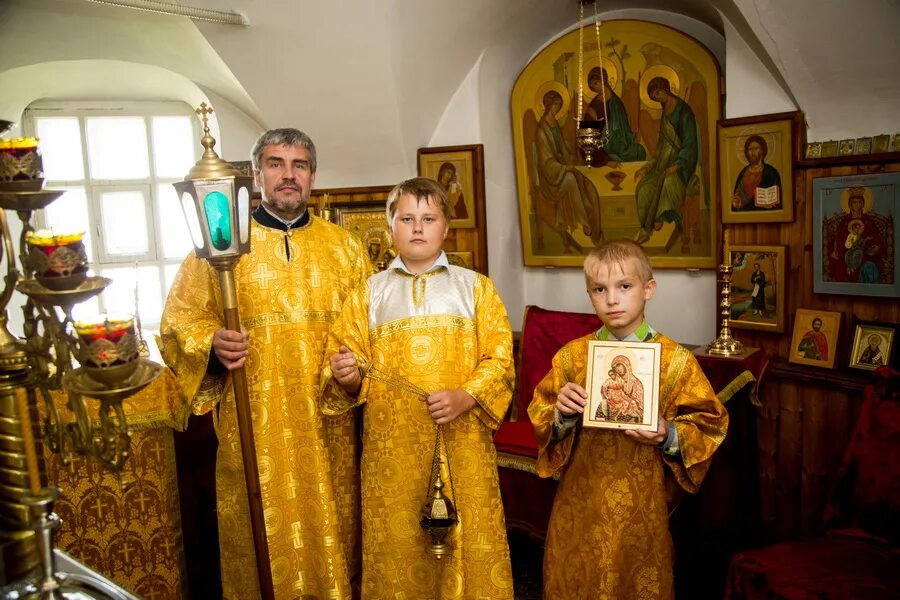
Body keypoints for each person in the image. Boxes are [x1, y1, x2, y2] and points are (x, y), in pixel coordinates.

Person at [158, 128, 371, 599]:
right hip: (254, 422)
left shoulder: (347, 248)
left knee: (332, 532)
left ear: (313, 176)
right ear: (256, 175)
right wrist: (211, 344)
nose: (288, 175)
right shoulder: (217, 249)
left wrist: (357, 369)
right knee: (260, 542)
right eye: (276, 164)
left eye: (299, 165)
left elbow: (369, 330)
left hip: (328, 427)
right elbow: (178, 322)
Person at [320, 177, 516, 599]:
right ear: (390, 227)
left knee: (469, 535)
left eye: (429, 218)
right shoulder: (367, 295)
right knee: (397, 543)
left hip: (463, 442)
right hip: (392, 450)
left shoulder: (476, 288)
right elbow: (345, 366)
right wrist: (347, 375)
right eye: (406, 218)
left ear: (446, 227)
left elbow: (500, 359)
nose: (417, 228)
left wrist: (466, 396)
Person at [527, 239, 728, 599]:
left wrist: (668, 435)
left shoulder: (675, 361)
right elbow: (541, 413)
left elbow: (709, 423)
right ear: (590, 296)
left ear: (648, 289)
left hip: (643, 503)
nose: (612, 299)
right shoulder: (573, 357)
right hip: (581, 498)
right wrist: (562, 413)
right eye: (600, 289)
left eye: (625, 286)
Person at [534, 88, 604, 252]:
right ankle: (584, 220)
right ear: (548, 105)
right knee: (570, 179)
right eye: (555, 105)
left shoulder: (554, 124)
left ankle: (587, 208)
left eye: (559, 105)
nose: (557, 108)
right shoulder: (541, 130)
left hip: (559, 168)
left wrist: (571, 158)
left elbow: (561, 150)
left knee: (578, 176)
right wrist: (564, 167)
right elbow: (546, 161)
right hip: (550, 177)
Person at [634, 76, 700, 246]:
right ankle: (649, 223)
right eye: (654, 96)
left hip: (681, 165)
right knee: (643, 187)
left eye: (658, 93)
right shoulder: (665, 113)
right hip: (663, 162)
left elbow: (690, 143)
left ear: (666, 89)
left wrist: (678, 165)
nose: (657, 97)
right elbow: (661, 147)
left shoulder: (683, 111)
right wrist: (647, 167)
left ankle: (656, 220)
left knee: (668, 182)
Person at [825, 186, 892, 283]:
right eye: (854, 202)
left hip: (866, 254)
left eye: (859, 202)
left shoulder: (868, 221)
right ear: (850, 205)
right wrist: (834, 251)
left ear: (863, 204)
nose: (857, 205)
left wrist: (875, 247)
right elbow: (837, 239)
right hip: (846, 254)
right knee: (842, 265)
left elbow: (876, 239)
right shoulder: (845, 222)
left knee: (869, 266)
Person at [584, 67, 646, 164]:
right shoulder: (595, 105)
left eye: (596, 83)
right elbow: (589, 132)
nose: (595, 88)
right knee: (613, 156)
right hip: (606, 144)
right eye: (592, 87)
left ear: (603, 80)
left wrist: (633, 136)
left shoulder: (616, 102)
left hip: (621, 143)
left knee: (640, 151)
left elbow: (624, 126)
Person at [731, 135, 782, 211]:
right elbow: (736, 202)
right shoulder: (743, 173)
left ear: (762, 150)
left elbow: (778, 202)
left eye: (756, 148)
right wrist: (736, 204)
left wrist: (772, 205)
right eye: (750, 149)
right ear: (746, 152)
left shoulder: (771, 172)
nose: (753, 152)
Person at [595, 353, 644, 423]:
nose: (617, 369)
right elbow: (604, 388)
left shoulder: (636, 383)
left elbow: (640, 407)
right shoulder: (614, 381)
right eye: (614, 367)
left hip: (628, 412)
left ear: (626, 364)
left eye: (618, 365)